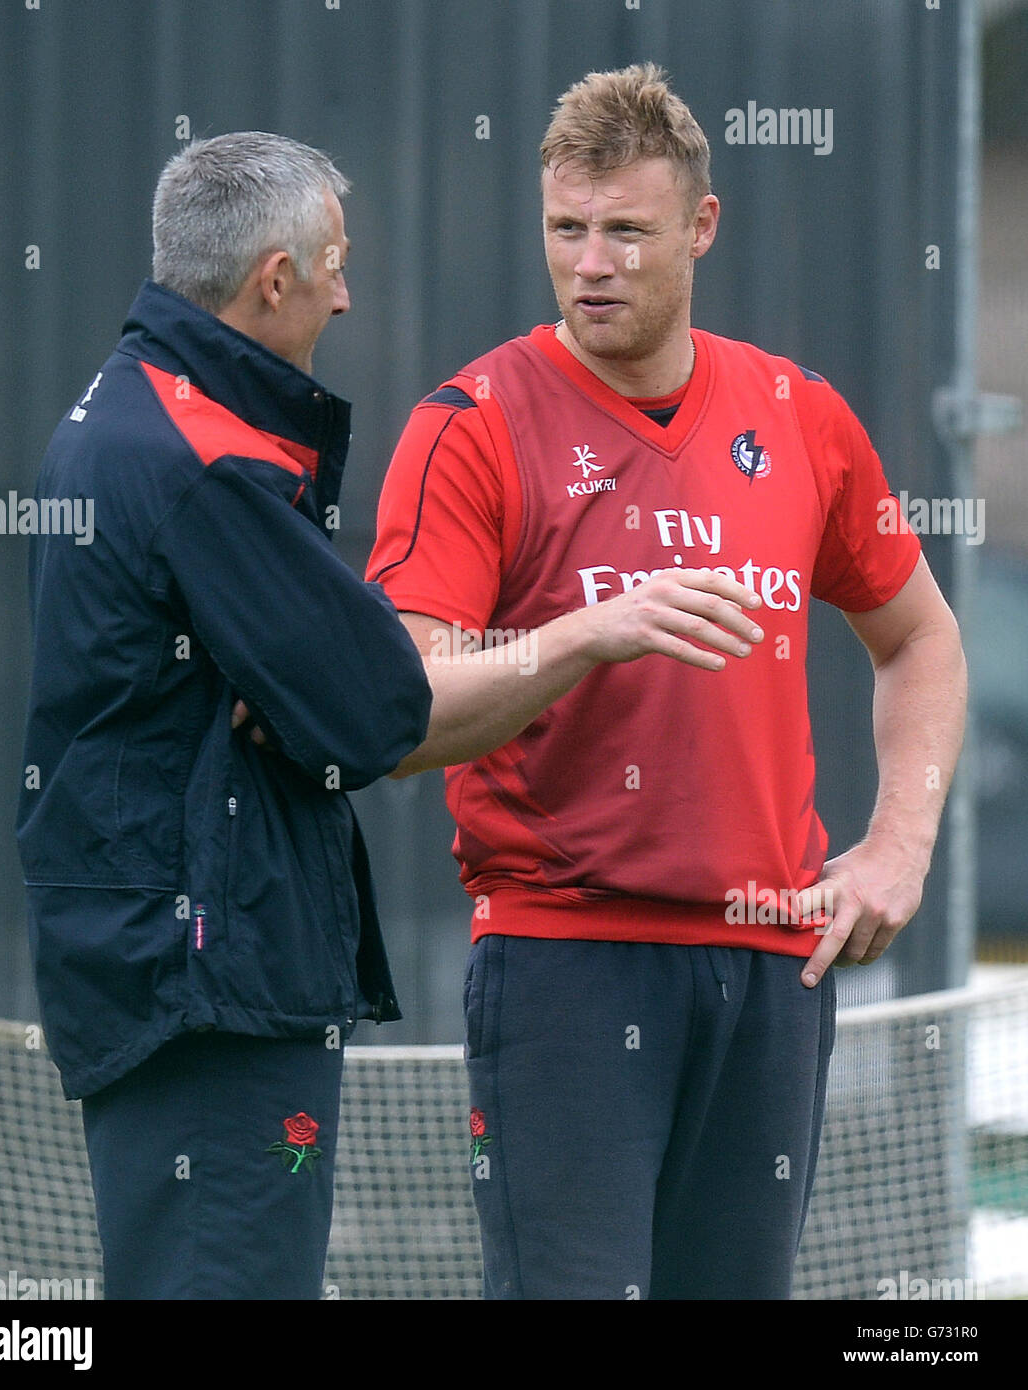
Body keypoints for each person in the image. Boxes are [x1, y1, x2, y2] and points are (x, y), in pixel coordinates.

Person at [366, 65, 967, 1299]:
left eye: (626, 230)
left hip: (771, 963)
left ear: (700, 227)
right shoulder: (470, 421)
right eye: (565, 229)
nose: (590, 262)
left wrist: (898, 845)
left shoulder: (798, 412)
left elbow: (921, 639)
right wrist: (586, 633)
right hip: (565, 963)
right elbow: (405, 701)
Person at [15, 132, 431, 1300]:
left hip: (157, 961)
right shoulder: (205, 459)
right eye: (336, 265)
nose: (349, 295)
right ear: (275, 278)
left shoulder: (125, 408)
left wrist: (297, 685)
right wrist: (592, 636)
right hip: (211, 984)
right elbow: (380, 708)